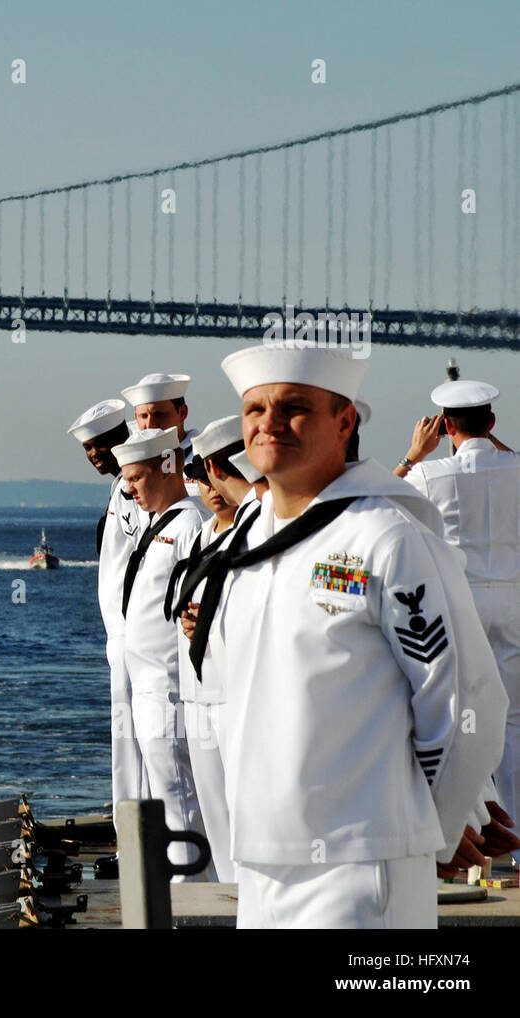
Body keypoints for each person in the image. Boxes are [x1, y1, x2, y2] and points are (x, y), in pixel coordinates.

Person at [201, 345, 509, 928]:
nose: (268, 423)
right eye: (255, 409)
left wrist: (432, 832)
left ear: (345, 423)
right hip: (261, 864)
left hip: (358, 868)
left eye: (294, 408)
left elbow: (461, 698)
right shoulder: (245, 548)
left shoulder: (385, 537)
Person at [396, 380, 520, 839]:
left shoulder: (431, 475)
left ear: (445, 426)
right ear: (492, 423)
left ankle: (470, 832)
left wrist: (414, 454)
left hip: (460, 603)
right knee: (514, 725)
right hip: (513, 600)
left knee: (462, 719)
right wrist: (491, 438)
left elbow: (374, 503)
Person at [165, 414, 262, 883]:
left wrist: (211, 621)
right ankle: (228, 904)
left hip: (236, 691)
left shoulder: (256, 529)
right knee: (214, 813)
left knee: (247, 816)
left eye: (220, 474)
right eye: (202, 478)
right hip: (199, 689)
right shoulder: (202, 535)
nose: (212, 488)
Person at [116, 426, 211, 880]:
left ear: (167, 467)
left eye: (135, 477)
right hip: (148, 687)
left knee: (182, 809)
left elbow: (195, 605)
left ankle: (191, 902)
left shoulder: (188, 523)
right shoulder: (160, 524)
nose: (128, 488)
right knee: (167, 802)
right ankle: (182, 896)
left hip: (169, 689)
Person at [67, 399, 150, 831]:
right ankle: (131, 833)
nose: (94, 455)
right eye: (88, 449)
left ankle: (137, 837)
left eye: (100, 445)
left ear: (122, 436)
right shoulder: (120, 485)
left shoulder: (134, 487)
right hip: (120, 632)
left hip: (134, 631)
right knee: (127, 740)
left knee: (139, 743)